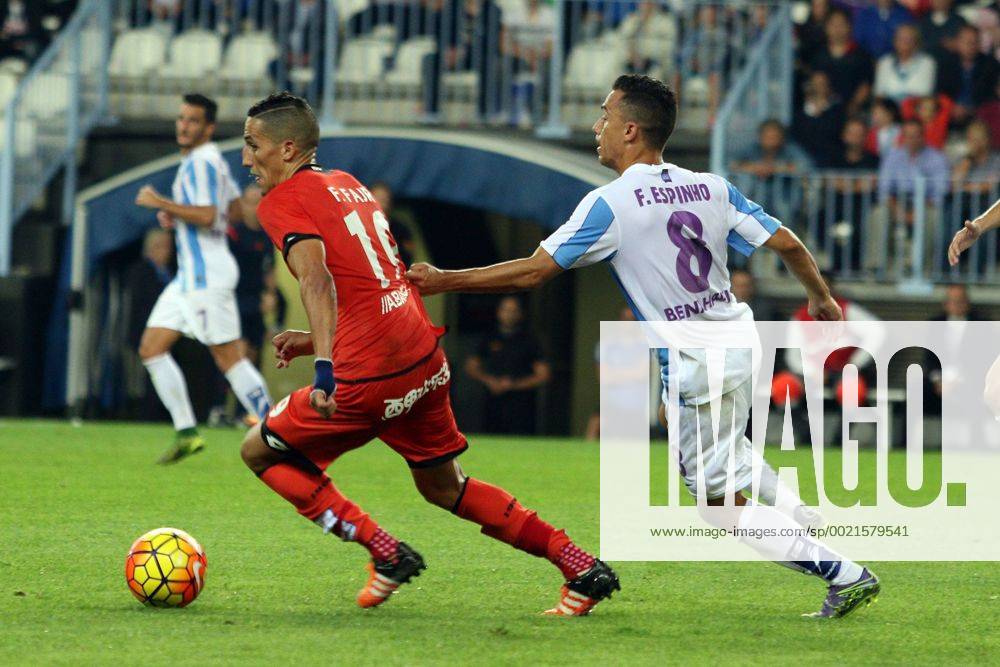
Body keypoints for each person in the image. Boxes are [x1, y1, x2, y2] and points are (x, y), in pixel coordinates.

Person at [408, 74, 880, 619]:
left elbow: (534, 272)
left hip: (697, 361)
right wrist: (821, 300)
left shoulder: (609, 205)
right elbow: (789, 243)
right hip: (738, 341)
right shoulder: (713, 186)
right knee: (719, 449)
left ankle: (843, 574)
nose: (596, 126)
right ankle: (798, 511)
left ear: (630, 129)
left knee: (716, 507)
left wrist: (445, 279)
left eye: (604, 115)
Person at [238, 92, 618, 617]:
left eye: (251, 145)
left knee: (258, 451)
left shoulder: (279, 203)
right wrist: (314, 338)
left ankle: (383, 551)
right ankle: (576, 562)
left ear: (285, 148)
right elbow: (373, 282)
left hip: (364, 376)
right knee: (444, 486)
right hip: (421, 357)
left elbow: (319, 281)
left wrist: (324, 367)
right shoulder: (349, 186)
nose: (245, 159)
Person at [134, 93, 272, 463]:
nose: (184, 125)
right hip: (188, 280)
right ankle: (187, 432)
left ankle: (278, 431)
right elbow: (232, 210)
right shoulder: (212, 164)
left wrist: (163, 204)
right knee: (151, 348)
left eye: (193, 120)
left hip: (205, 276)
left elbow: (212, 215)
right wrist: (179, 216)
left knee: (229, 358)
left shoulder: (200, 163)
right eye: (181, 118)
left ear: (208, 127)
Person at [465, 295, 551, 435]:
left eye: (513, 311)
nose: (509, 314)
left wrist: (513, 385)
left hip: (522, 406)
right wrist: (490, 381)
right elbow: (471, 366)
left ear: (520, 314)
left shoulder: (529, 340)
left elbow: (543, 374)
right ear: (498, 312)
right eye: (506, 310)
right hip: (493, 402)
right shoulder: (489, 338)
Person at [808, 8, 874, 117]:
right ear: (826, 27)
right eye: (833, 24)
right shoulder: (818, 55)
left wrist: (854, 105)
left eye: (841, 24)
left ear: (850, 27)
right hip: (823, 110)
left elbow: (865, 85)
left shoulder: (861, 55)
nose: (837, 29)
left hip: (851, 112)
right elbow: (814, 81)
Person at [935, 25, 1000, 126]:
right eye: (966, 42)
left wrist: (972, 110)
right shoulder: (946, 64)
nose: (970, 46)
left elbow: (992, 94)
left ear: (979, 44)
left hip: (981, 113)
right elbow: (940, 92)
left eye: (974, 42)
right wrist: (952, 107)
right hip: (952, 112)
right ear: (957, 43)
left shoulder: (990, 64)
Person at [873, 24, 936, 103]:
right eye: (901, 38)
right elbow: (879, 94)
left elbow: (926, 93)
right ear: (894, 41)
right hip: (890, 111)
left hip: (916, 110)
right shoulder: (885, 62)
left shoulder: (927, 63)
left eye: (909, 39)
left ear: (916, 42)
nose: (905, 42)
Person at [369, 181, 416, 267]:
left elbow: (407, 255)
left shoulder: (400, 228)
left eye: (385, 198)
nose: (382, 201)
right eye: (378, 197)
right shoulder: (362, 225)